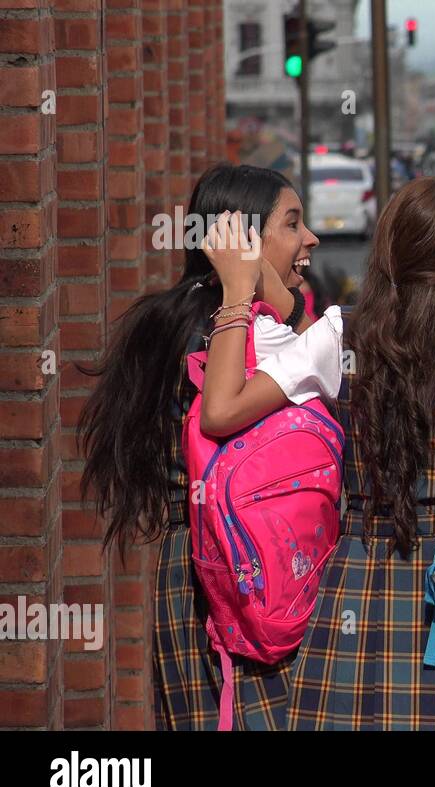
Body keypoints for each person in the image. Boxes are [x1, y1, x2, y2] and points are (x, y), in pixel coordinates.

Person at [198, 177, 435, 730]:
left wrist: (237, 296)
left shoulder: (344, 337)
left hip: (365, 587)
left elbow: (219, 411)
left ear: (388, 251)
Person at [79, 164, 318, 730]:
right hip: (230, 570)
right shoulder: (219, 331)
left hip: (245, 565)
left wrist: (279, 299)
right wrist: (262, 300)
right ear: (244, 241)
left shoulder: (199, 316)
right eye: (292, 223)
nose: (310, 239)